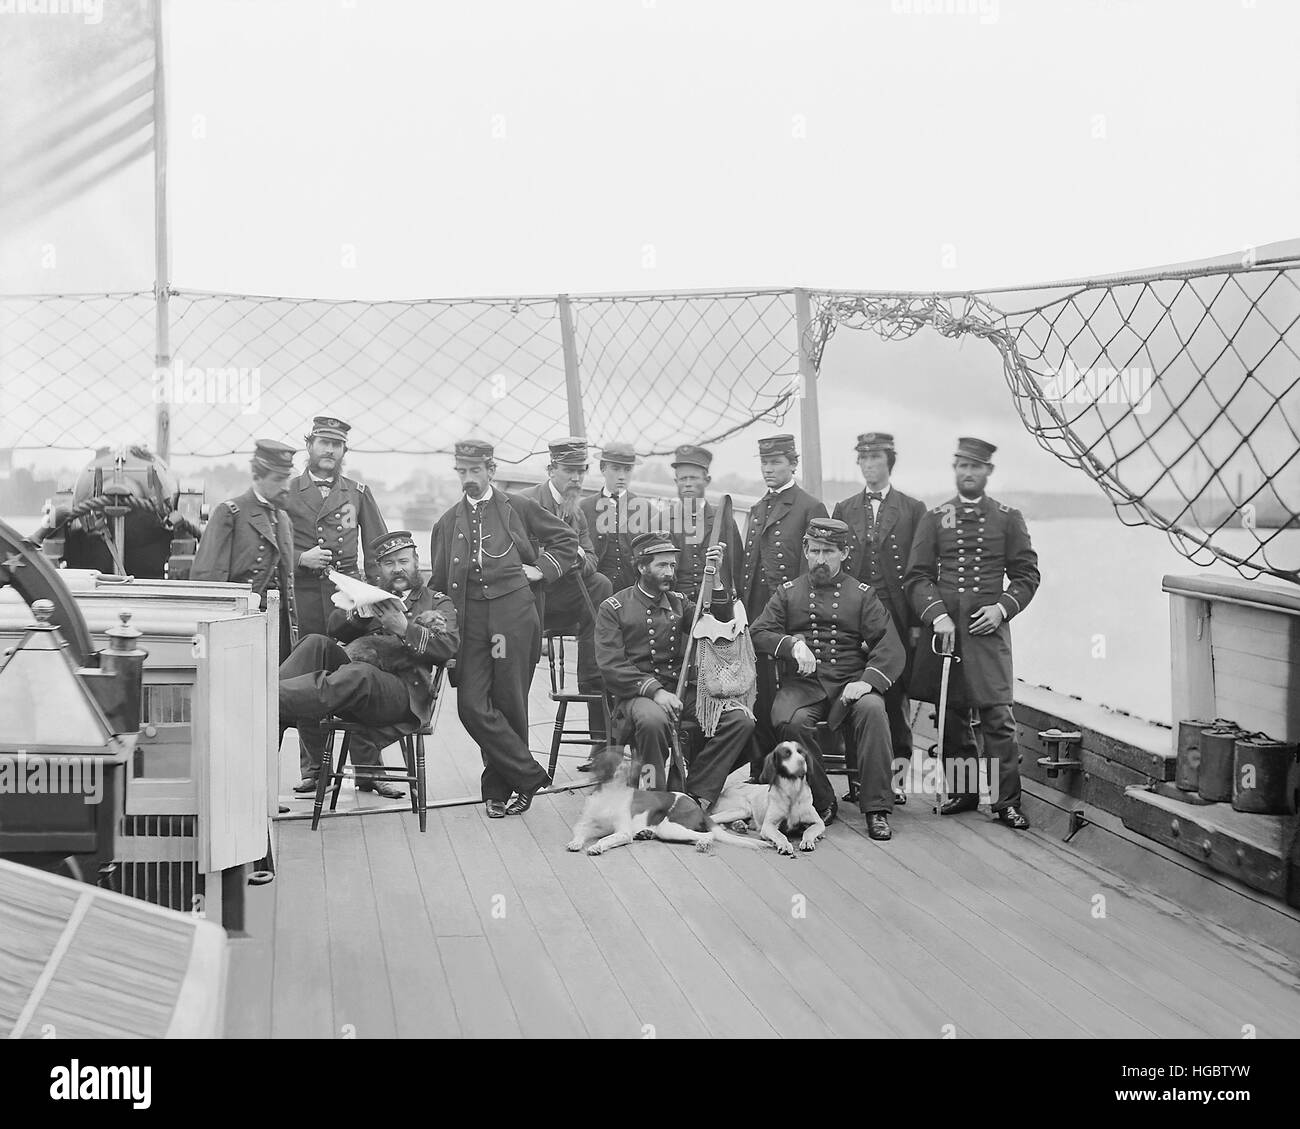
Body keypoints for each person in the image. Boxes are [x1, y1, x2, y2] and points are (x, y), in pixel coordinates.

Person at [429, 438, 579, 818]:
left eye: (474, 471)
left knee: (509, 700)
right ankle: (528, 774)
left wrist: (541, 570)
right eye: (461, 472)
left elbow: (565, 539)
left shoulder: (519, 507)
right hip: (473, 624)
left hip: (513, 618)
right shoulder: (447, 523)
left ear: (491, 470)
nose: (468, 478)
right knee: (472, 705)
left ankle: (498, 790)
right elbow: (440, 583)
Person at [904, 437, 1041, 830]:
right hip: (946, 635)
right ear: (955, 470)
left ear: (988, 472)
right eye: (962, 466)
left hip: (987, 633)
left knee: (998, 718)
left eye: (975, 467)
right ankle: (964, 793)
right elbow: (917, 577)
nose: (967, 473)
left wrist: (1001, 609)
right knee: (950, 715)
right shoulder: (935, 517)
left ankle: (1006, 803)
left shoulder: (1007, 518)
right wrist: (937, 616)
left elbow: (1027, 575)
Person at [751, 518, 904, 840]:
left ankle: (876, 807)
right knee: (790, 723)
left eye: (829, 551)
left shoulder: (863, 596)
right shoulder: (788, 593)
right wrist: (792, 644)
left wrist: (867, 682)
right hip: (806, 685)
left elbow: (889, 646)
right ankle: (823, 800)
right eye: (815, 550)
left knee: (874, 711)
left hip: (853, 683)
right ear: (806, 551)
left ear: (844, 553)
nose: (821, 559)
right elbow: (760, 632)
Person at [279, 530, 459, 794]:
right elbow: (335, 630)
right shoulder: (370, 595)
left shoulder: (437, 601)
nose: (397, 569)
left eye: (403, 561)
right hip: (356, 687)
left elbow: (448, 646)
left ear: (416, 562)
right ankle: (271, 701)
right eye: (389, 564)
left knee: (359, 673)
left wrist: (403, 628)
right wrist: (360, 614)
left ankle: (268, 695)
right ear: (379, 568)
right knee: (313, 644)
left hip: (402, 694)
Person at [594, 532, 754, 812]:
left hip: (682, 693)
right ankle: (651, 799)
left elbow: (720, 620)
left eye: (672, 565)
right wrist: (656, 692)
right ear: (642, 567)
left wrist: (715, 578)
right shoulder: (614, 608)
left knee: (740, 720)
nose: (670, 572)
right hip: (635, 697)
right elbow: (612, 666)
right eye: (662, 566)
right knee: (653, 720)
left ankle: (695, 793)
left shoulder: (679, 603)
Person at [832, 432, 927, 804]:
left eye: (876, 459)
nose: (869, 466)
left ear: (890, 463)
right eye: (864, 460)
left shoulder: (912, 509)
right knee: (856, 693)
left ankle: (898, 781)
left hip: (897, 618)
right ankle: (858, 781)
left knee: (895, 699)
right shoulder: (844, 508)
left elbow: (920, 569)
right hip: (855, 615)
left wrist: (918, 626)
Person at [736, 433, 827, 779]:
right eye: (764, 463)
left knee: (784, 697)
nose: (768, 469)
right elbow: (749, 566)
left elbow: (813, 570)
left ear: (792, 464)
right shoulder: (759, 508)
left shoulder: (809, 507)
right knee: (758, 694)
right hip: (758, 614)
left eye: (775, 462)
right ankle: (760, 769)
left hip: (791, 616)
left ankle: (789, 771)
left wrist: (802, 618)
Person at [522, 437, 614, 743]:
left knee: (601, 585)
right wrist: (559, 560)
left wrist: (572, 555)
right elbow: (520, 561)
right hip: (531, 600)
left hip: (564, 596)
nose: (576, 478)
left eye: (581, 471)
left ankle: (592, 675)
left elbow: (591, 559)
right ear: (551, 469)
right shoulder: (525, 503)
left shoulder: (576, 511)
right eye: (569, 471)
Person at [283, 415, 389, 640]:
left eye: (337, 445)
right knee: (304, 661)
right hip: (302, 596)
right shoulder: (286, 493)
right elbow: (269, 548)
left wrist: (377, 599)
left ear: (344, 451)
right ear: (309, 446)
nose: (330, 450)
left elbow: (378, 551)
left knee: (345, 664)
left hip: (347, 596)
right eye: (324, 443)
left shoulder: (358, 493)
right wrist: (300, 558)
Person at [192, 439, 300, 657]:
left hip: (279, 629)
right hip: (241, 629)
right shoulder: (230, 513)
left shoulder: (283, 519)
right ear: (258, 476)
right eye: (279, 479)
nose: (286, 486)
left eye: (287, 478)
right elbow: (208, 579)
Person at [667, 444, 743, 608]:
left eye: (693, 478)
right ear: (676, 482)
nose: (687, 484)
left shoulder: (723, 520)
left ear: (706, 480)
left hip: (716, 605)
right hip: (675, 607)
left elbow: (737, 570)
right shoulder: (663, 521)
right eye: (682, 479)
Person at [579, 440, 640, 594]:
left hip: (632, 593)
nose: (622, 476)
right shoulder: (584, 508)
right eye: (615, 468)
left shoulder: (643, 509)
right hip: (594, 591)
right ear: (602, 468)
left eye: (627, 469)